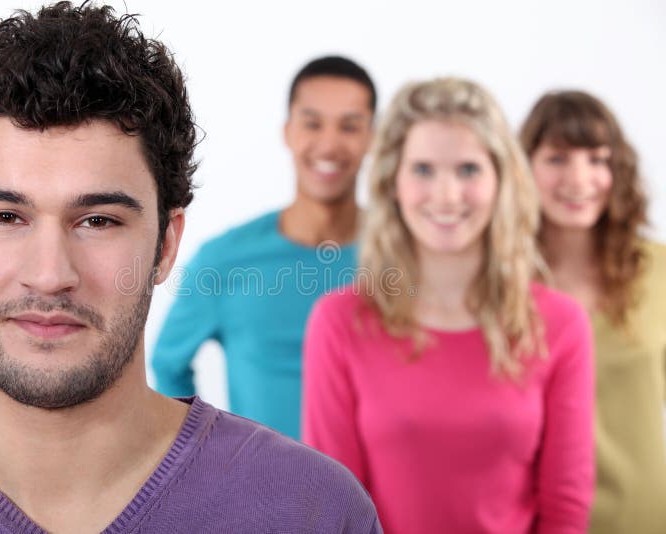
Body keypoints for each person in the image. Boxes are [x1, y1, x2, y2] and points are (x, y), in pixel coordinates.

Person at [0, 4, 382, 533]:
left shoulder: (315, 510)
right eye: (4, 216)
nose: (49, 275)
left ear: (165, 244)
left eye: (97, 221)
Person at [302, 78, 595, 533]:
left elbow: (565, 508)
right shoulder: (340, 322)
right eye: (422, 170)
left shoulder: (560, 323)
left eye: (468, 170)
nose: (446, 195)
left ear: (501, 180)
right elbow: (336, 507)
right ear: (392, 183)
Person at [152, 55, 376, 439]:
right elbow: (168, 364)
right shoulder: (225, 260)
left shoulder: (406, 256)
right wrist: (210, 454)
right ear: (288, 131)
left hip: (384, 498)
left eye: (350, 126)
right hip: (267, 495)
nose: (329, 143)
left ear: (373, 137)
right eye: (312, 123)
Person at [520, 90, 666, 534]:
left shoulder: (658, 270)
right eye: (558, 158)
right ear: (523, 169)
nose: (579, 178)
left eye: (598, 159)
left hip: (644, 515)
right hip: (531, 519)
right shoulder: (497, 282)